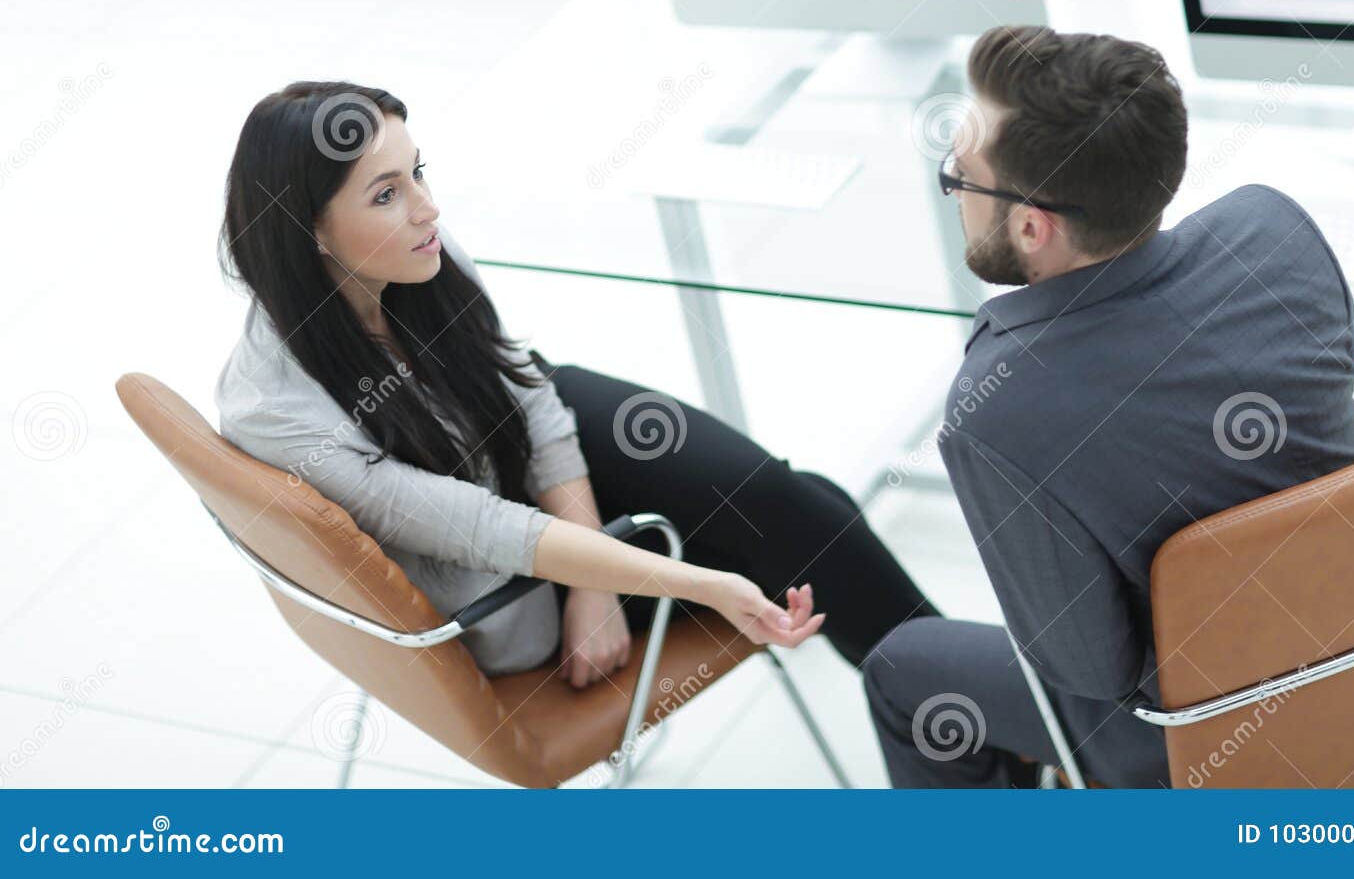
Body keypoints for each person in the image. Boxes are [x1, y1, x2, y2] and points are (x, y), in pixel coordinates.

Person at [215, 81, 936, 687]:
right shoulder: (278, 409)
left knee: (792, 505)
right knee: (809, 521)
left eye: (419, 172)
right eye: (386, 193)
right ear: (310, 231)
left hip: (513, 458)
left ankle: (991, 726)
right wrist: (681, 586)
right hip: (502, 581)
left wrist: (600, 583)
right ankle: (994, 724)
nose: (427, 208)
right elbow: (479, 528)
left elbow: (522, 383)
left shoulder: (411, 251)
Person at [864, 26, 1354, 787]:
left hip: (1196, 737)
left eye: (957, 174)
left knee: (904, 667)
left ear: (1033, 226)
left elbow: (1087, 668)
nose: (955, 193)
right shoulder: (1275, 229)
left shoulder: (997, 409)